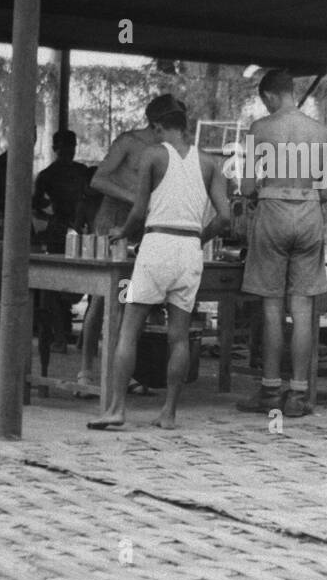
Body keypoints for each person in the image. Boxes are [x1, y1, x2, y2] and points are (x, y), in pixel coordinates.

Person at [88, 102, 230, 430]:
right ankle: (168, 413)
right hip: (188, 250)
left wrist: (121, 233)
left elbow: (139, 211)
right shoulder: (210, 163)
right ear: (185, 127)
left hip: (156, 245)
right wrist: (199, 239)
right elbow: (225, 216)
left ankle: (117, 409)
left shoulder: (153, 155)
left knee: (129, 329)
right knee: (179, 337)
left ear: (158, 128)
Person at [236, 69, 327, 418]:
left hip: (273, 214)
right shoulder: (322, 132)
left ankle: (270, 389)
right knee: (303, 310)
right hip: (309, 215)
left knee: (272, 309)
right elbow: (326, 191)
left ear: (270, 97)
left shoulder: (259, 130)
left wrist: (264, 186)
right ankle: (299, 394)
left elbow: (247, 187)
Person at [73, 94, 181, 396]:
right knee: (101, 297)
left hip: (143, 225)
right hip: (113, 222)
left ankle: (122, 372)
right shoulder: (128, 142)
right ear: (158, 121)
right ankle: (86, 370)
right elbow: (97, 180)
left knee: (133, 298)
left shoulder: (168, 149)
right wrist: (134, 198)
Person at [32, 129, 90, 251]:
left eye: (72, 146)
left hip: (83, 226)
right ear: (54, 148)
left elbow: (91, 197)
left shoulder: (82, 170)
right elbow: (35, 208)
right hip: (59, 229)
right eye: (64, 147)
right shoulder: (47, 175)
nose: (69, 151)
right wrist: (53, 219)